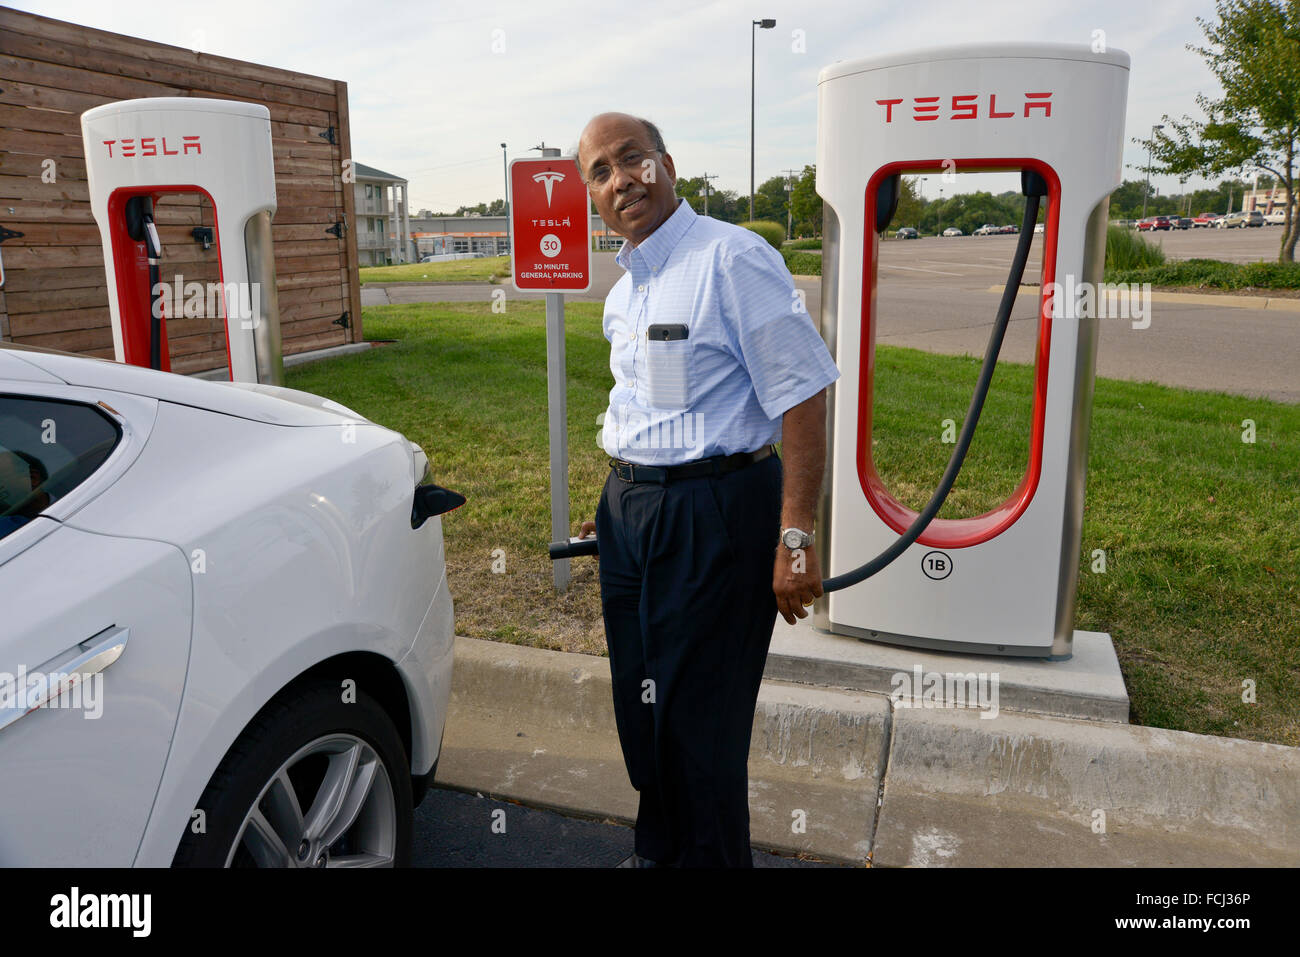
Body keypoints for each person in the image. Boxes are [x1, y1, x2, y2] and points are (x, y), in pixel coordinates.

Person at [575, 112, 840, 867]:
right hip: (635, 512)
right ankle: (658, 851)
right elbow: (640, 402)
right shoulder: (625, 291)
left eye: (632, 159)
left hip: (715, 511)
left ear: (667, 165)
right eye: (600, 170)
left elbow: (803, 392)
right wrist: (620, 507)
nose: (620, 178)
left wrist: (796, 536)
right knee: (642, 706)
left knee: (702, 728)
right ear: (593, 195)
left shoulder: (732, 258)